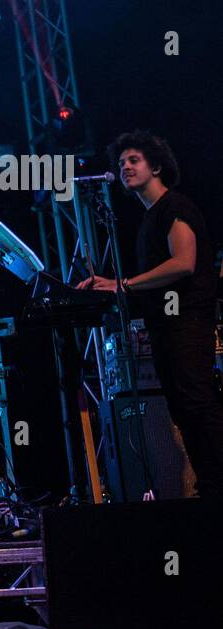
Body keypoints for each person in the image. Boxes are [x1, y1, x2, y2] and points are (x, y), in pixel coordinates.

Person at [78, 131, 223, 498]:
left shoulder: (175, 207)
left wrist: (123, 284)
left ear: (156, 166)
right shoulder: (149, 220)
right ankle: (210, 488)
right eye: (122, 162)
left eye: (134, 161)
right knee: (182, 408)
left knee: (196, 401)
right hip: (166, 327)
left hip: (188, 322)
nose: (125, 167)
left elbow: (183, 262)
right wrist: (114, 287)